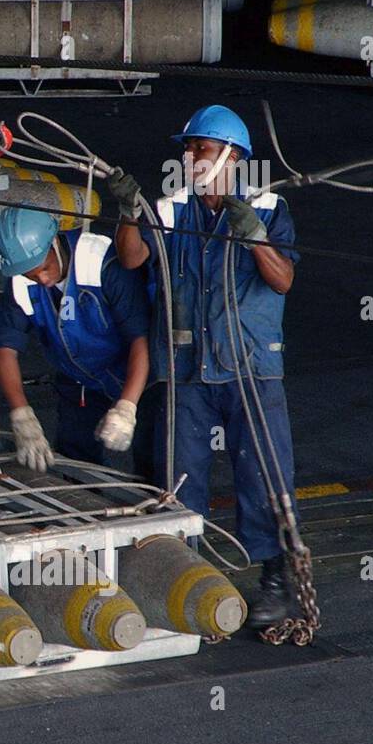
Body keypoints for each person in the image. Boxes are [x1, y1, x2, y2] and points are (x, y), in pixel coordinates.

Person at [109, 104, 301, 628]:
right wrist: (129, 212)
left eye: (201, 148)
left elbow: (282, 280)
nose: (190, 157)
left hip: (250, 369)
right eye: (188, 148)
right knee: (179, 478)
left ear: (233, 157)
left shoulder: (268, 206)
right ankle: (186, 579)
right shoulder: (170, 210)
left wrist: (254, 236)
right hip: (186, 370)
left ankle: (278, 584)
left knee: (263, 476)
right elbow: (131, 259)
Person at [0, 207, 153, 477]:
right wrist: (21, 413)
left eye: (44, 268)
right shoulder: (21, 279)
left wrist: (127, 406)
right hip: (79, 380)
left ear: (55, 242)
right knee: (78, 467)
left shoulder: (102, 262)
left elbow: (140, 338)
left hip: (139, 375)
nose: (41, 279)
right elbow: (4, 348)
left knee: (156, 464)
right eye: (31, 275)